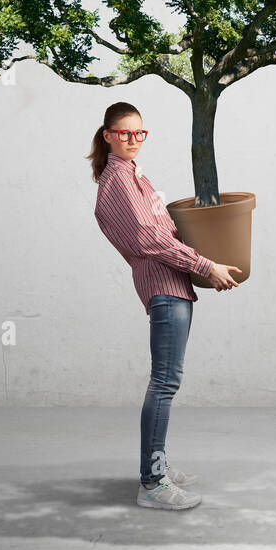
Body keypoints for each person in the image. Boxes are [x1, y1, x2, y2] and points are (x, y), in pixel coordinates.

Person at [89, 100, 243, 510]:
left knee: (166, 382)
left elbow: (165, 228)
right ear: (108, 136)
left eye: (140, 132)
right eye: (124, 132)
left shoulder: (135, 176)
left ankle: (156, 465)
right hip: (164, 289)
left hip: (174, 286)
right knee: (164, 384)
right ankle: (152, 483)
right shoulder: (118, 183)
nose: (133, 139)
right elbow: (149, 241)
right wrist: (205, 264)